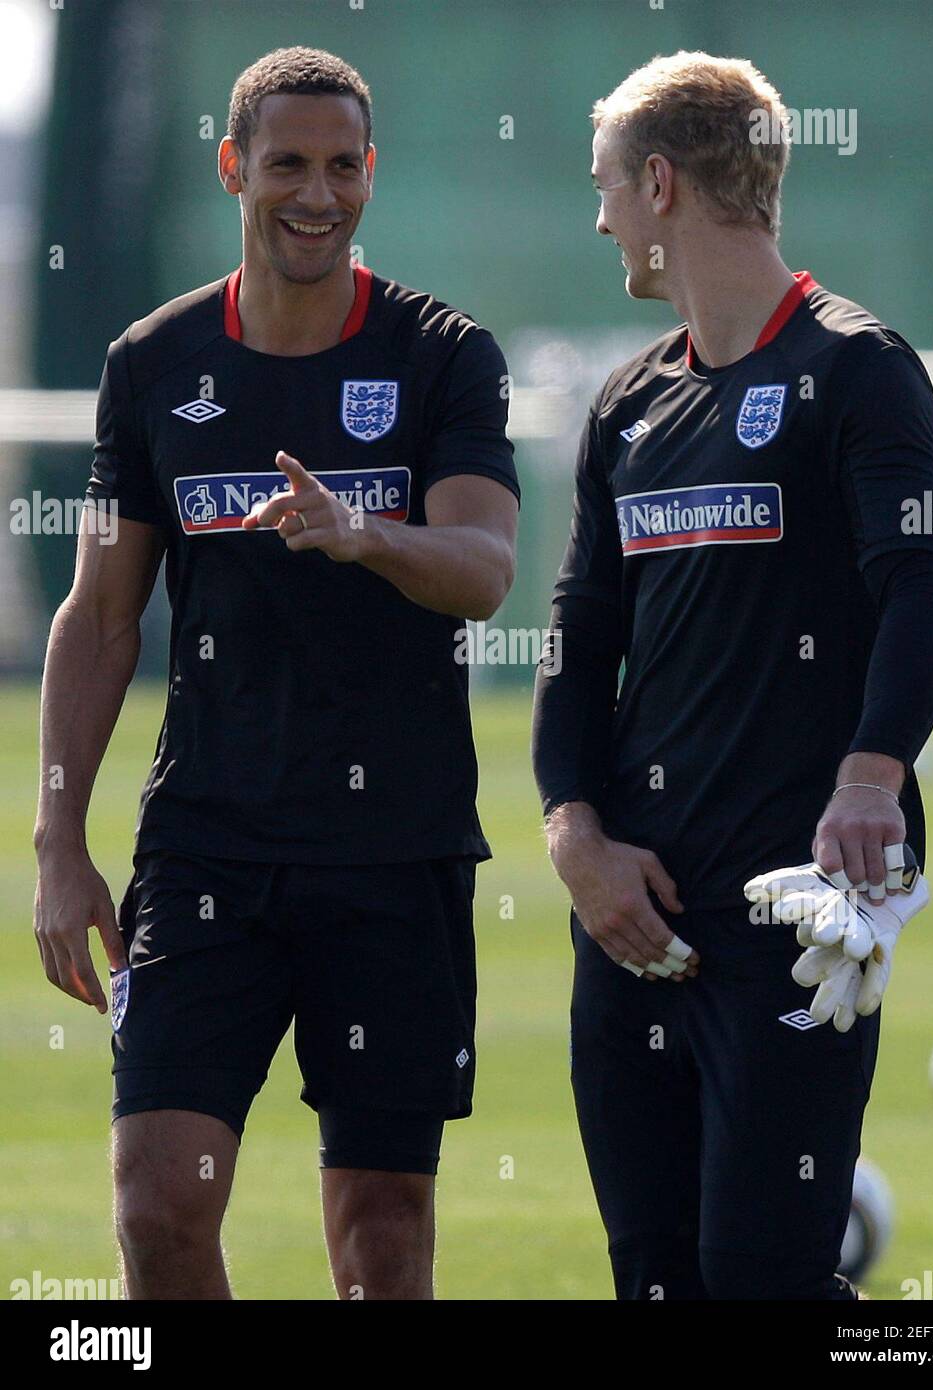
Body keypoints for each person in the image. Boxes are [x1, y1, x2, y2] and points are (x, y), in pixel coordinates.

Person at [33, 46, 519, 1301]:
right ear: (231, 165)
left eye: (343, 166)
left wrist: (367, 536)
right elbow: (97, 615)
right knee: (158, 1207)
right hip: (209, 844)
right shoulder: (153, 361)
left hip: (395, 847)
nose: (317, 193)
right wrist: (56, 838)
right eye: (288, 163)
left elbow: (483, 568)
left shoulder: (442, 354)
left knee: (381, 1236)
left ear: (372, 174)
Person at [531, 51, 933, 1300]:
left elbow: (917, 592)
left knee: (761, 1279)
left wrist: (871, 780)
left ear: (659, 182)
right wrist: (574, 837)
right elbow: (576, 635)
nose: (599, 212)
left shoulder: (855, 367)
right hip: (632, 907)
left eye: (606, 182)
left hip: (796, 904)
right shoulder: (625, 405)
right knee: (654, 1276)